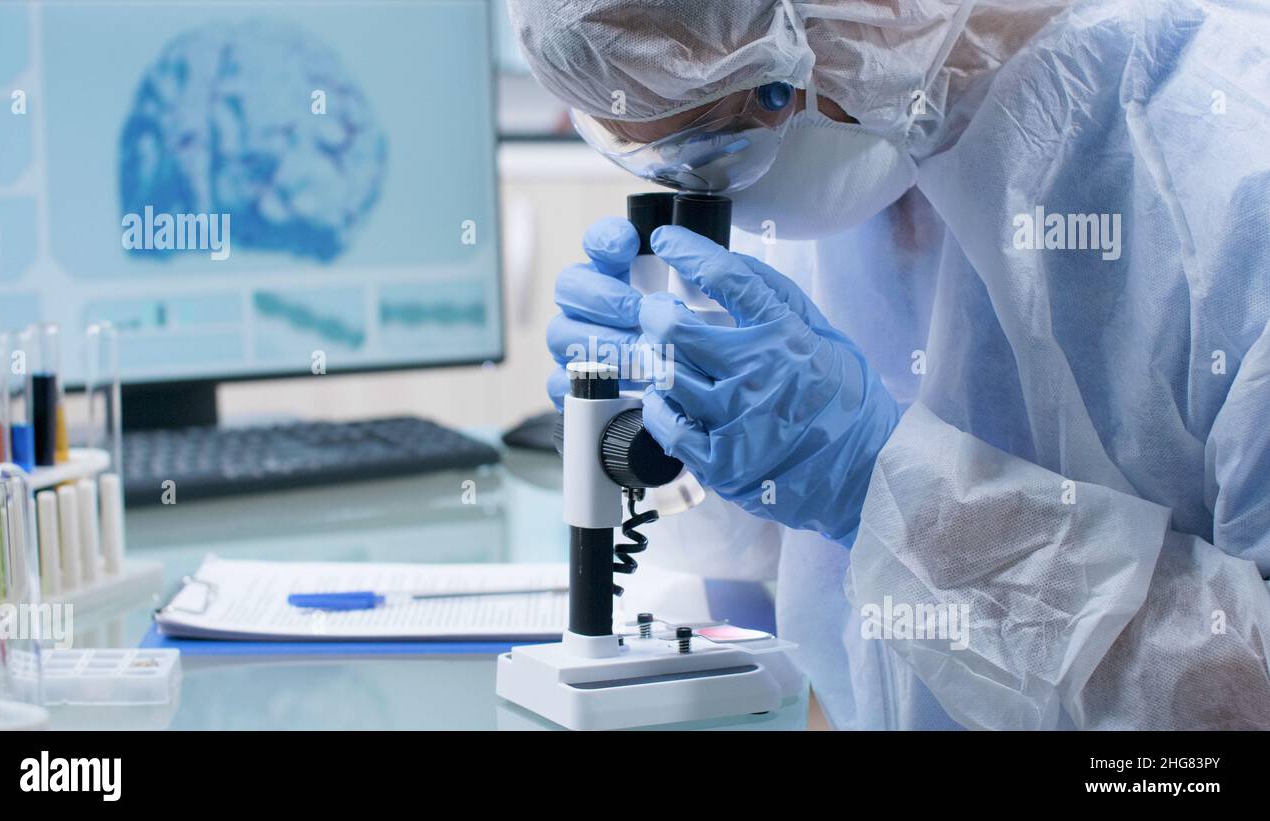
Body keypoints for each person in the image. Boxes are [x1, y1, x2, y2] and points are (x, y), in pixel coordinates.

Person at [508, 0, 1270, 729]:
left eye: (722, 136)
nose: (719, 190)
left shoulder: (1229, 174)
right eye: (666, 159)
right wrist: (680, 444)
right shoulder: (845, 140)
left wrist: (888, 485)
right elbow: (764, 564)